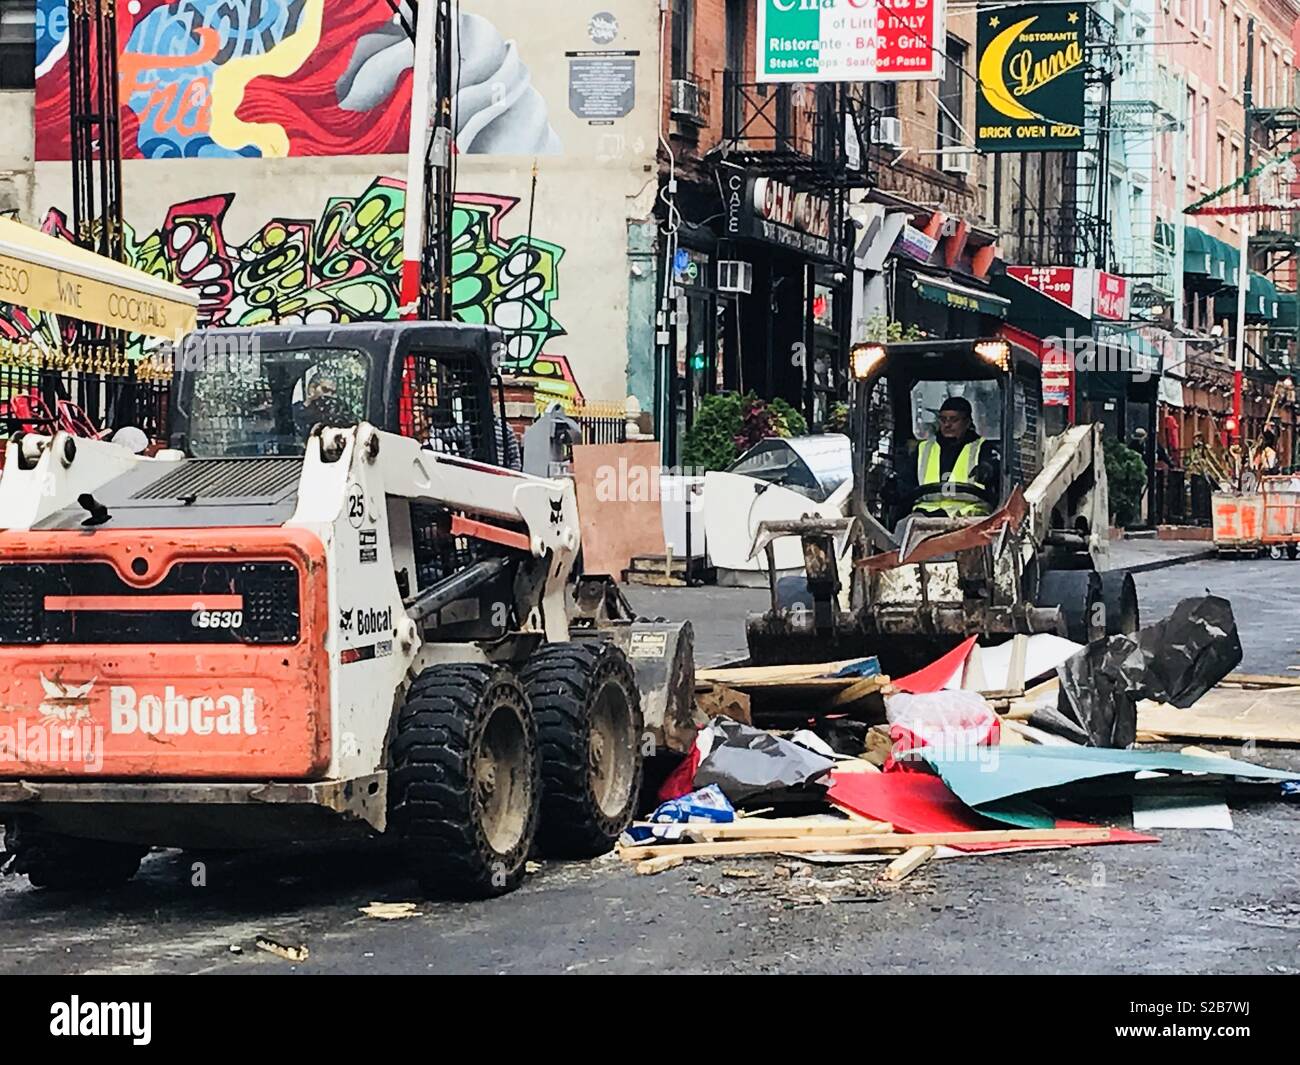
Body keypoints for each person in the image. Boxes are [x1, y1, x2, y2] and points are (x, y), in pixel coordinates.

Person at [897, 396, 1001, 517]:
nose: (947, 424)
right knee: (902, 525)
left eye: (954, 419)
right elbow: (906, 482)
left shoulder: (983, 448)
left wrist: (987, 469)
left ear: (967, 422)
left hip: (969, 518)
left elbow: (995, 468)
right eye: (943, 419)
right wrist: (896, 490)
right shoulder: (923, 449)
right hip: (925, 518)